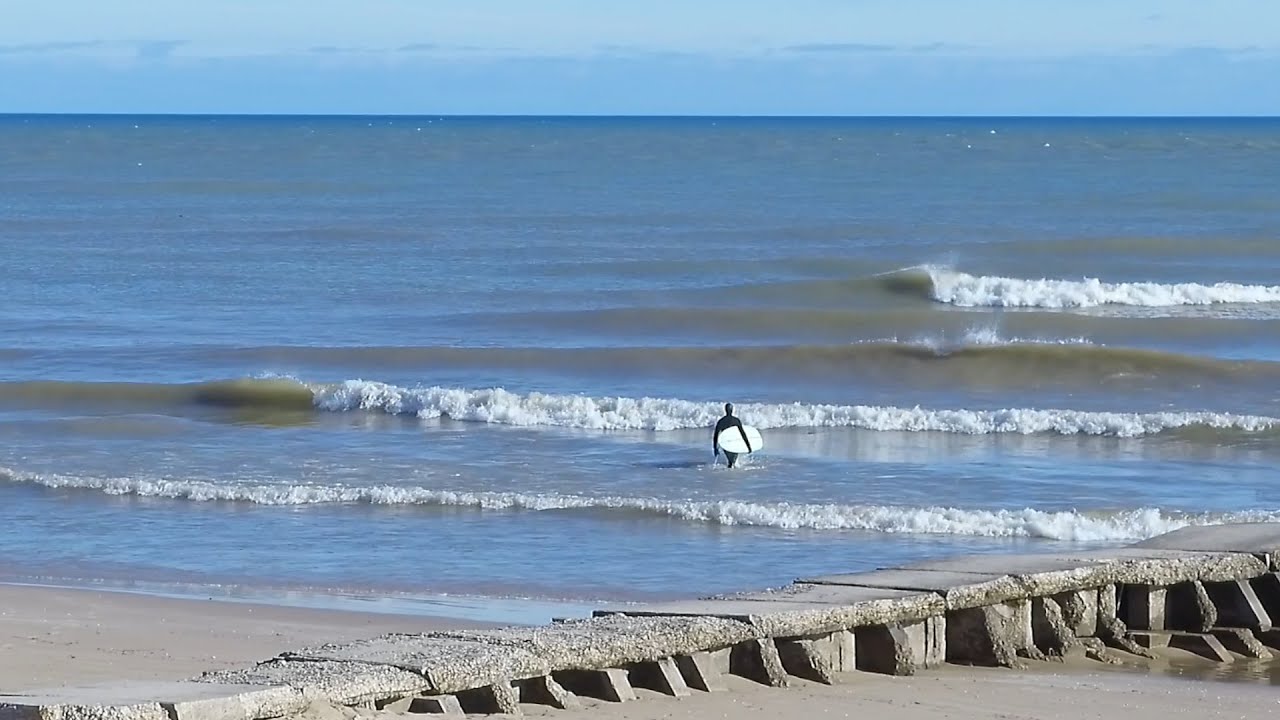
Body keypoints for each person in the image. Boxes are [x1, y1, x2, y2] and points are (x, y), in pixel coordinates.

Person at [713, 402, 752, 468]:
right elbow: (743, 434)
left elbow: (716, 435)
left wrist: (715, 448)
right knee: (732, 461)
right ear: (732, 410)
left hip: (725, 443)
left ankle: (730, 470)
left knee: (730, 461)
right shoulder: (736, 420)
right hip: (735, 442)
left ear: (725, 410)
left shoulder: (721, 421)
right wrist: (748, 446)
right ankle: (732, 472)